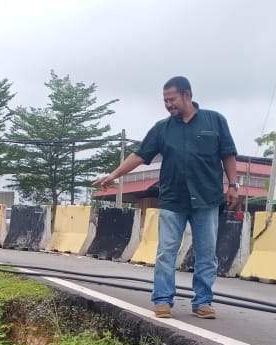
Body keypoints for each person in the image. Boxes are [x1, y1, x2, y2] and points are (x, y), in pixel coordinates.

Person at [95, 76, 239, 319]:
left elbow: (228, 154)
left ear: (187, 95)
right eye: (165, 101)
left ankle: (202, 302)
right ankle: (162, 299)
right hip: (173, 199)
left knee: (206, 254)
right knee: (166, 252)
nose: (169, 105)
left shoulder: (215, 121)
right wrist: (114, 174)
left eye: (172, 100)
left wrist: (233, 184)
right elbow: (139, 155)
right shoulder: (162, 128)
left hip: (207, 199)